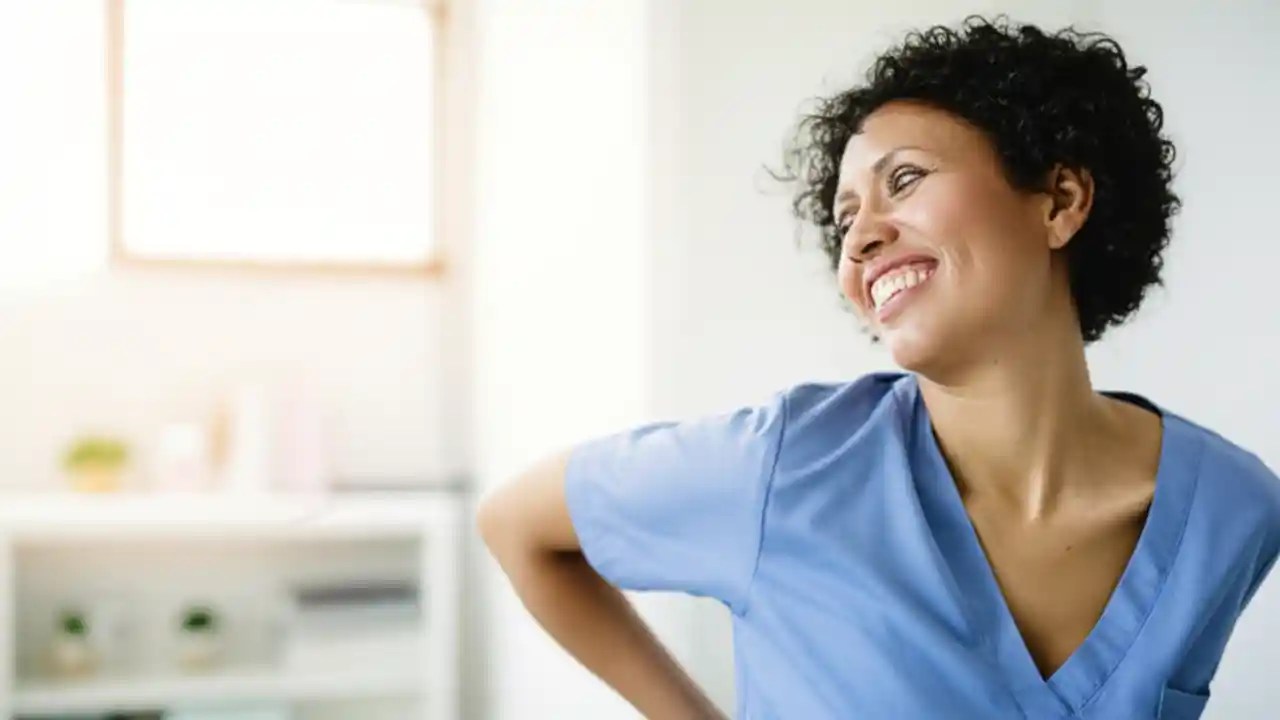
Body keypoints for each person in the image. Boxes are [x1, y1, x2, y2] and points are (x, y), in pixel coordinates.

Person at [477, 15, 1280, 720]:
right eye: (845, 218)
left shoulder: (1233, 512)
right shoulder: (786, 466)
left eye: (904, 180)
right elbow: (517, 524)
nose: (859, 239)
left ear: (1061, 199)